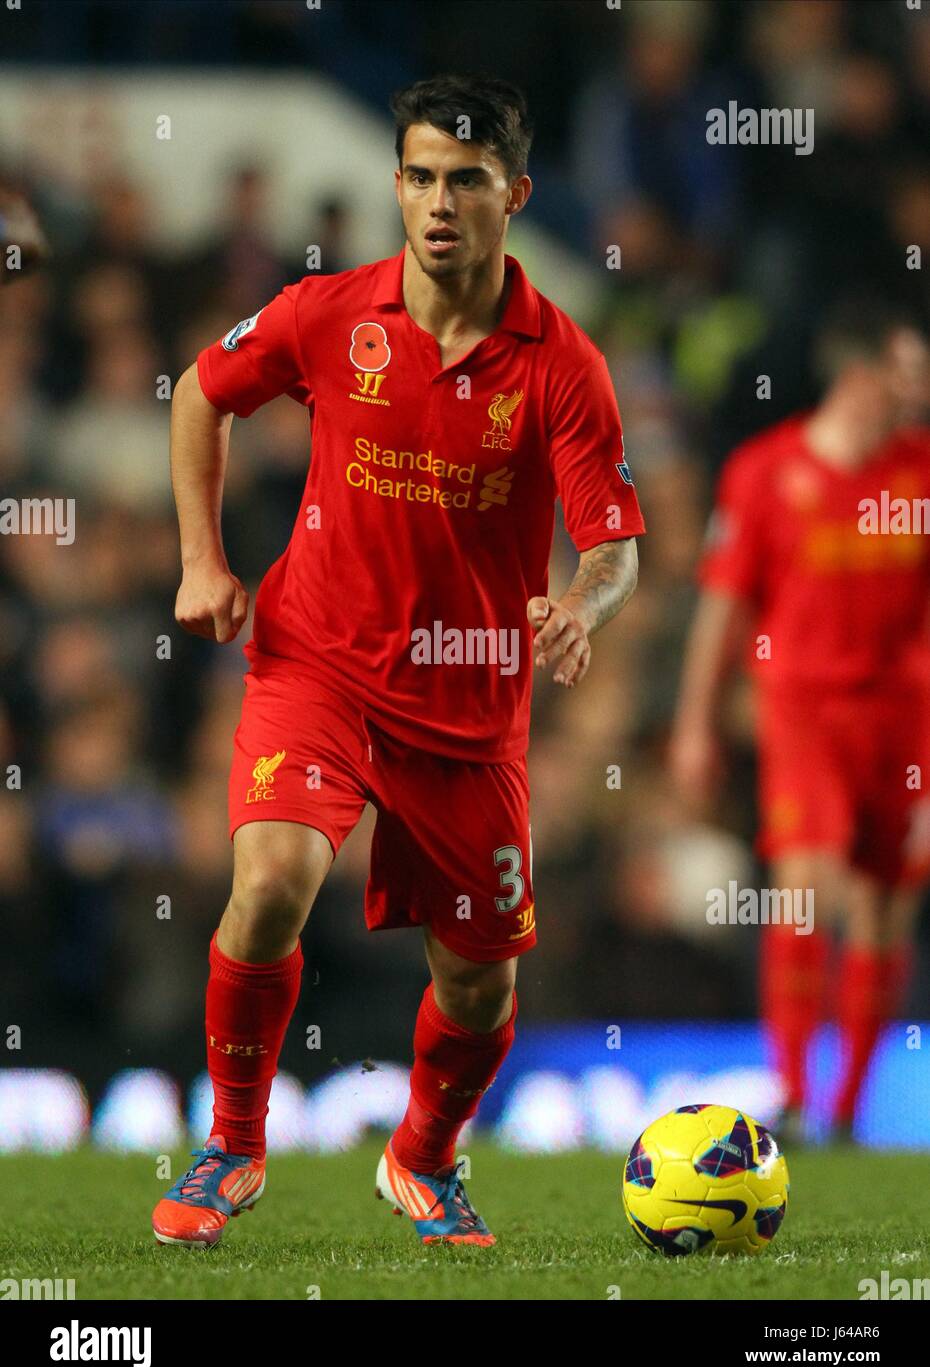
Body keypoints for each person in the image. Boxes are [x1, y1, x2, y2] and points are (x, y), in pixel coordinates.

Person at [153, 73, 643, 1248]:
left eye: (466, 180)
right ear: (396, 185)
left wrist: (582, 604)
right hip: (314, 661)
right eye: (420, 176)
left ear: (515, 194)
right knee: (268, 881)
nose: (438, 203)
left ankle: (420, 1159)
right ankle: (232, 1143)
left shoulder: (562, 365)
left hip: (468, 705)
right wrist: (203, 563)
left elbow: (618, 544)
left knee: (481, 985)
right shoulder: (329, 314)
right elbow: (199, 394)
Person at [670, 300, 930, 1144]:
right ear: (861, 378)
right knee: (806, 884)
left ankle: (848, 1111)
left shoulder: (919, 473)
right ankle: (788, 1088)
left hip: (904, 716)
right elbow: (722, 608)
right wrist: (695, 724)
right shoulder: (764, 472)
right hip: (803, 708)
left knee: (887, 906)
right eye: (907, 369)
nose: (918, 386)